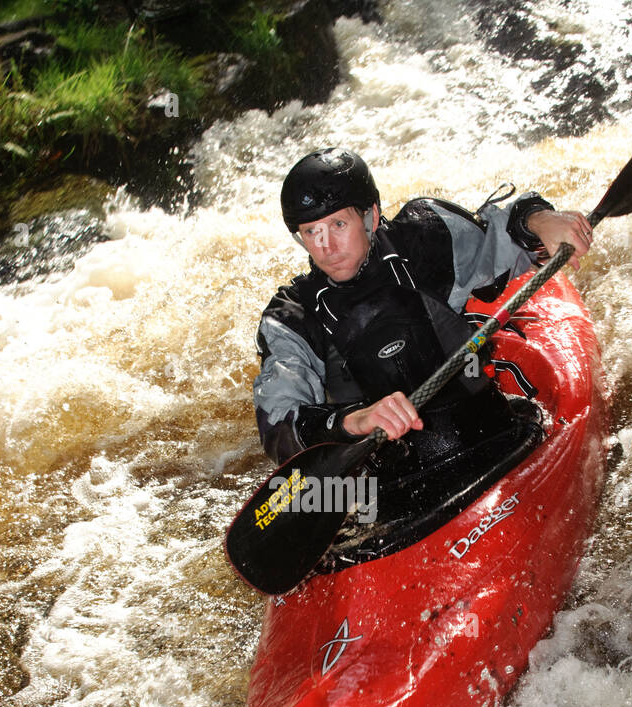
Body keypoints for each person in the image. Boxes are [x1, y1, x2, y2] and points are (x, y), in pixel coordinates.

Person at [254, 149, 593, 479]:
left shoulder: (426, 238)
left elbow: (503, 239)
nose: (326, 247)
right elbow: (280, 421)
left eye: (339, 224)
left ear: (370, 215)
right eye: (312, 232)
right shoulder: (291, 317)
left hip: (498, 435)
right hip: (396, 486)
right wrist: (353, 421)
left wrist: (539, 220)